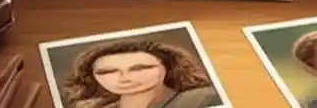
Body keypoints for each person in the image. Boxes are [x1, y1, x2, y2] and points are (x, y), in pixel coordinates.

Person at [60, 39, 221, 108]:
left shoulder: (201, 99)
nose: (125, 78)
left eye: (140, 68)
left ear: (169, 68)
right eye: (108, 71)